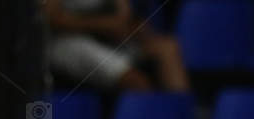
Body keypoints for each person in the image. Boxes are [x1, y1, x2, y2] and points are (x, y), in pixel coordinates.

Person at [42, 0, 189, 92]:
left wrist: (136, 29)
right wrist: (103, 25)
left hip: (108, 36)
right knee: (136, 81)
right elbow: (52, 19)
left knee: (167, 49)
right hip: (65, 39)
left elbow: (123, 16)